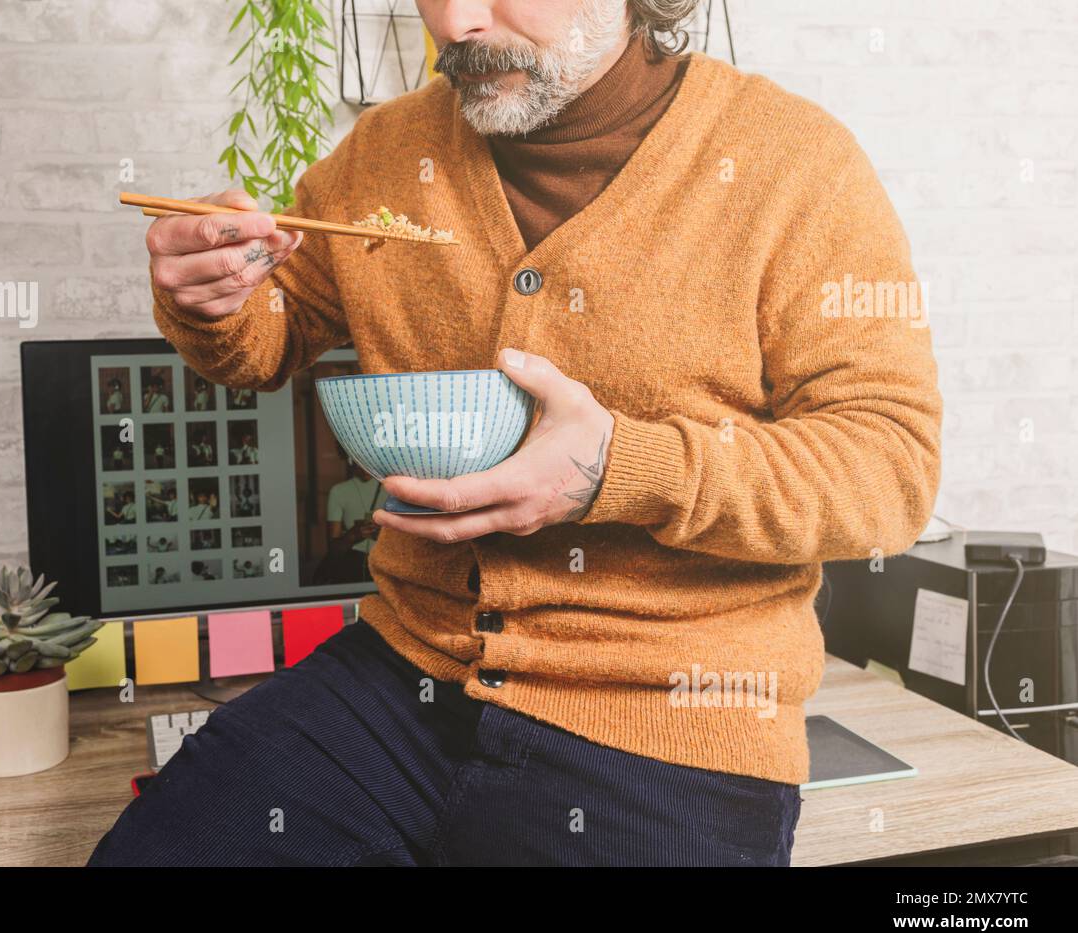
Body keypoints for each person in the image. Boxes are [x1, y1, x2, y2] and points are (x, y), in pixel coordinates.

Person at [93, 0, 941, 867]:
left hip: (674, 720)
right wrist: (215, 296)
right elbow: (271, 334)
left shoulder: (793, 165)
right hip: (404, 670)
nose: (457, 21)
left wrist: (620, 466)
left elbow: (890, 469)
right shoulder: (387, 155)